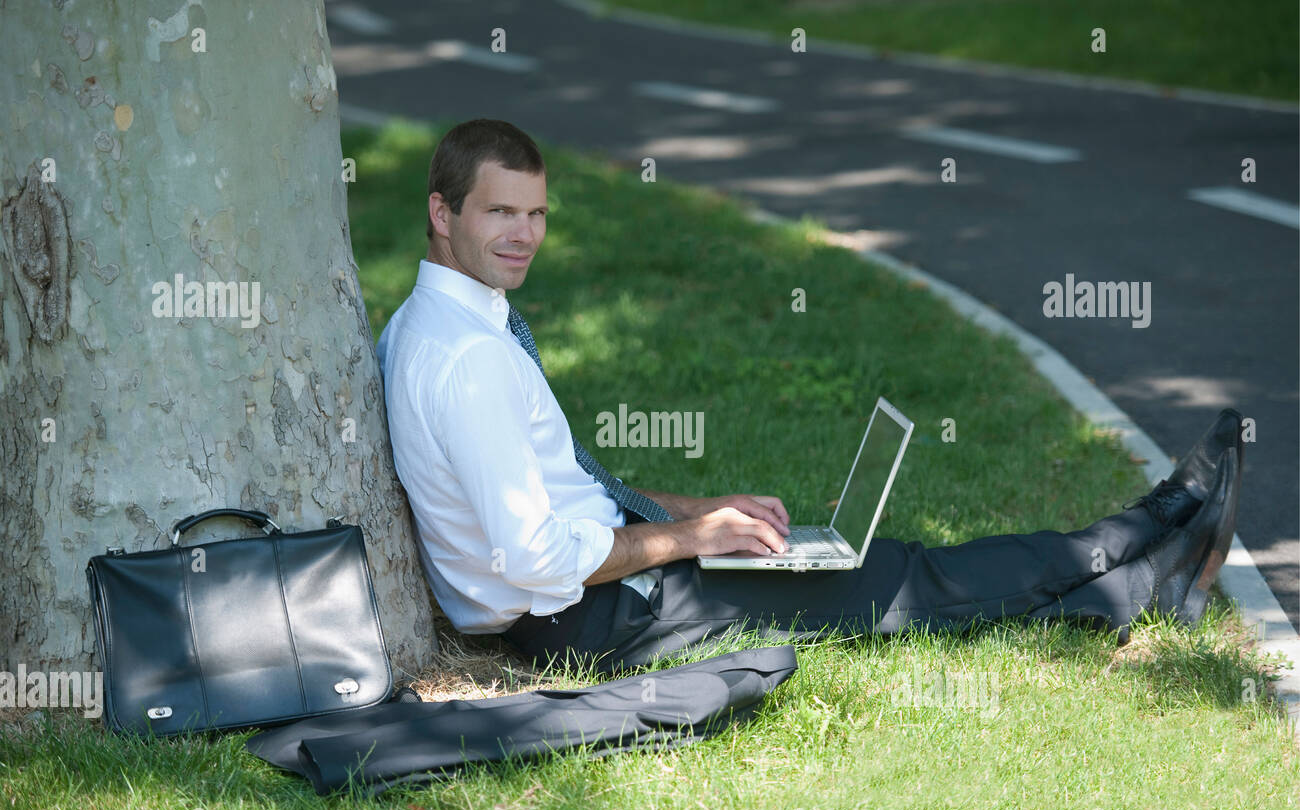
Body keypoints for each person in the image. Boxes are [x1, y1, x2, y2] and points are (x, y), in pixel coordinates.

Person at [375, 118, 1244, 674]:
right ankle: (1147, 527)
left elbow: (562, 489)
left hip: (594, 590)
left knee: (870, 573)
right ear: (442, 213)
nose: (524, 236)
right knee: (901, 578)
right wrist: (686, 540)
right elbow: (534, 562)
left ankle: (1142, 583)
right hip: (590, 617)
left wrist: (701, 511)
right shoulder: (468, 358)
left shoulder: (431, 324)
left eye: (536, 215)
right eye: (500, 215)